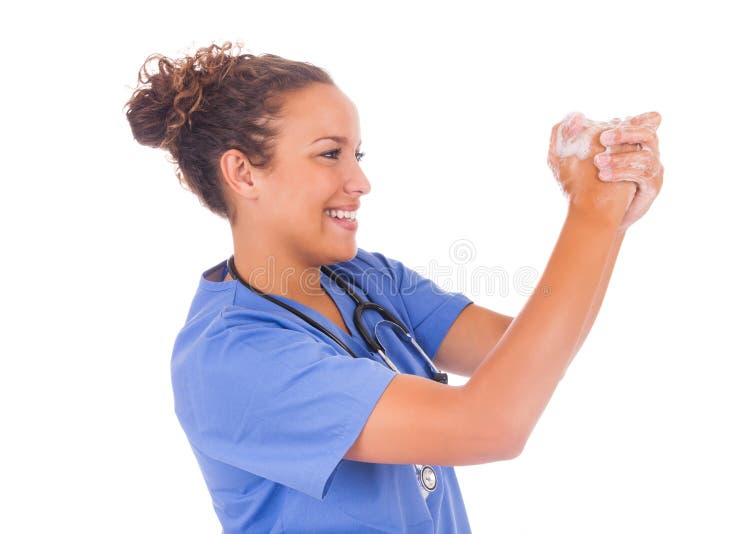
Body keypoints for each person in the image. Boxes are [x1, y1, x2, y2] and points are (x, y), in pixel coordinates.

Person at [124, 41, 663, 533]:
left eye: (356, 156)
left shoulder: (365, 278)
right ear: (243, 173)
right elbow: (492, 424)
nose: (360, 183)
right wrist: (590, 214)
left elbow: (530, 354)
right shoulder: (230, 357)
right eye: (329, 153)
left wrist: (613, 216)